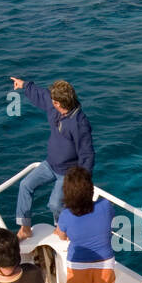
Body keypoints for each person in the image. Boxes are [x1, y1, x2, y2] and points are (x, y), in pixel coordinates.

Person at [9, 76, 95, 240]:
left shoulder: (79, 123)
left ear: (59, 103)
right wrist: (24, 85)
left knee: (55, 204)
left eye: (54, 100)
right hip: (50, 164)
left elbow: (87, 153)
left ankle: (62, 230)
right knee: (25, 185)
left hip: (68, 172)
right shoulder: (55, 106)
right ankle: (25, 228)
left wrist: (83, 181)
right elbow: (42, 95)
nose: (51, 102)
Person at [53, 166, 116, 283]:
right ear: (90, 190)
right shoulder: (106, 207)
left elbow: (62, 236)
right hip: (104, 266)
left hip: (78, 268)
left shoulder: (65, 216)